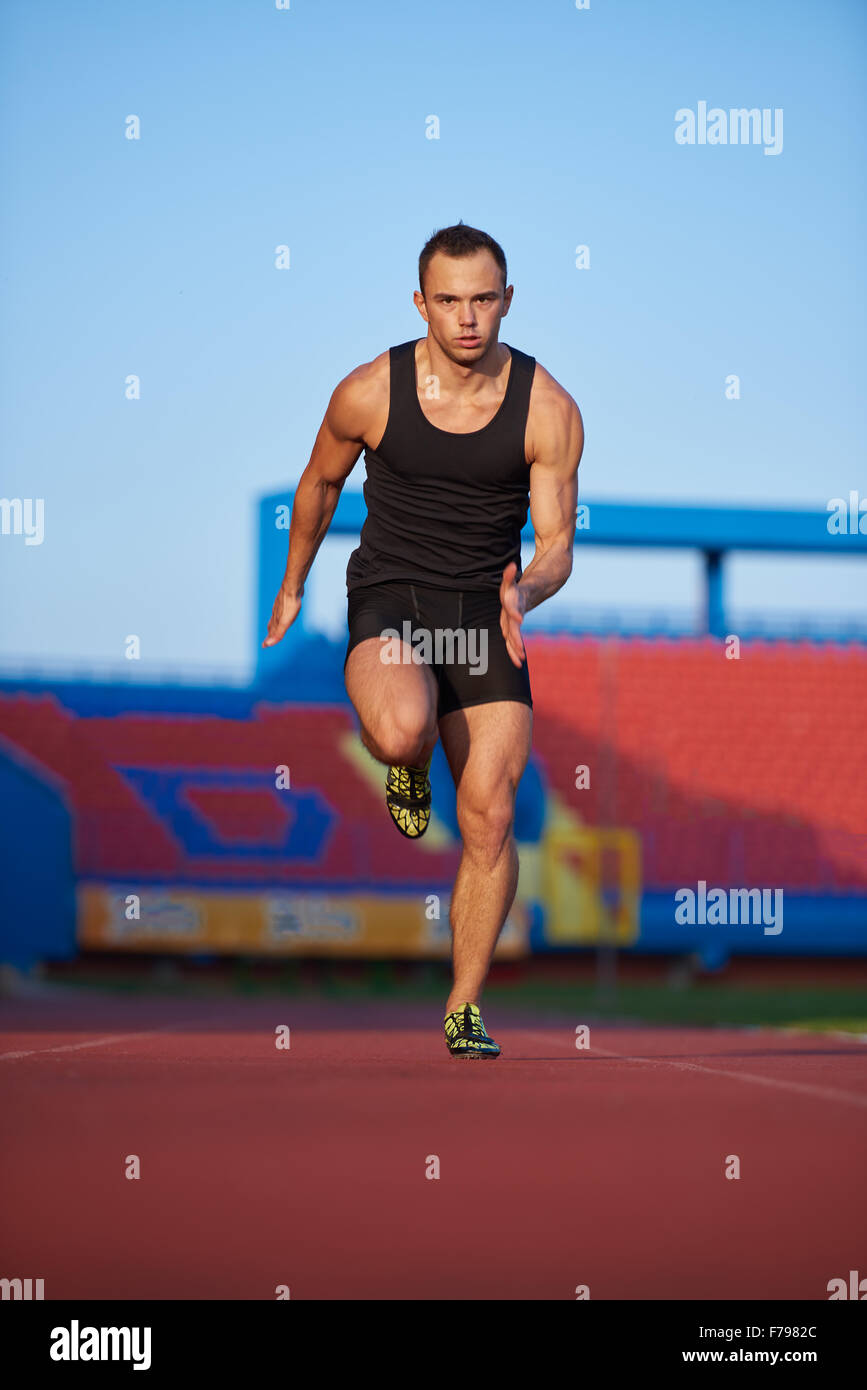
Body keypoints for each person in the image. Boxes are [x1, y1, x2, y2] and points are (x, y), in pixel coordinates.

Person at [263, 222, 584, 1057]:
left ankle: (464, 1005)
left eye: (483, 299)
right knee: (402, 728)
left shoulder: (547, 409)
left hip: (486, 612)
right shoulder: (370, 390)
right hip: (392, 599)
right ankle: (405, 767)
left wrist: (530, 589)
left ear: (507, 300)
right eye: (449, 301)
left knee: (491, 813)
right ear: (421, 303)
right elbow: (320, 481)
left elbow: (555, 546)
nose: (467, 318)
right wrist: (295, 579)